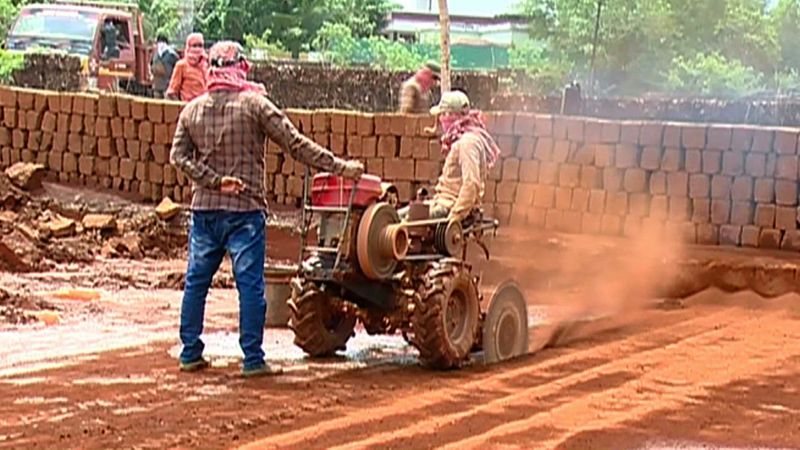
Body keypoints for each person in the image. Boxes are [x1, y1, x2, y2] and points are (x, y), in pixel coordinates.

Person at [170, 41, 364, 378]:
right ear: (240, 65)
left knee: (196, 282)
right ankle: (253, 359)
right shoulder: (255, 105)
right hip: (244, 212)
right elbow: (295, 144)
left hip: (203, 210)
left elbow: (178, 158)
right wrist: (339, 167)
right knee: (249, 286)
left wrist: (213, 181)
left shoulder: (192, 110)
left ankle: (190, 352)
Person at [401, 91, 500, 222]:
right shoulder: (459, 138)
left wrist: (455, 216)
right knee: (395, 215)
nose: (441, 120)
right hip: (441, 201)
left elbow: (471, 184)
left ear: (451, 115)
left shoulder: (468, 143)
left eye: (442, 115)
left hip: (450, 206)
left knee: (407, 222)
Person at [166, 33, 207, 102]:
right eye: (194, 45)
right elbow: (172, 92)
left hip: (204, 108)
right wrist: (182, 107)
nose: (197, 49)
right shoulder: (181, 65)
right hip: (187, 106)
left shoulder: (207, 64)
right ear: (188, 46)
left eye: (200, 45)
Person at [150, 35, 179, 99]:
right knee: (156, 105)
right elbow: (151, 65)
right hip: (157, 85)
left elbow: (177, 69)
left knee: (167, 104)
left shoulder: (172, 54)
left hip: (168, 86)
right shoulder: (155, 54)